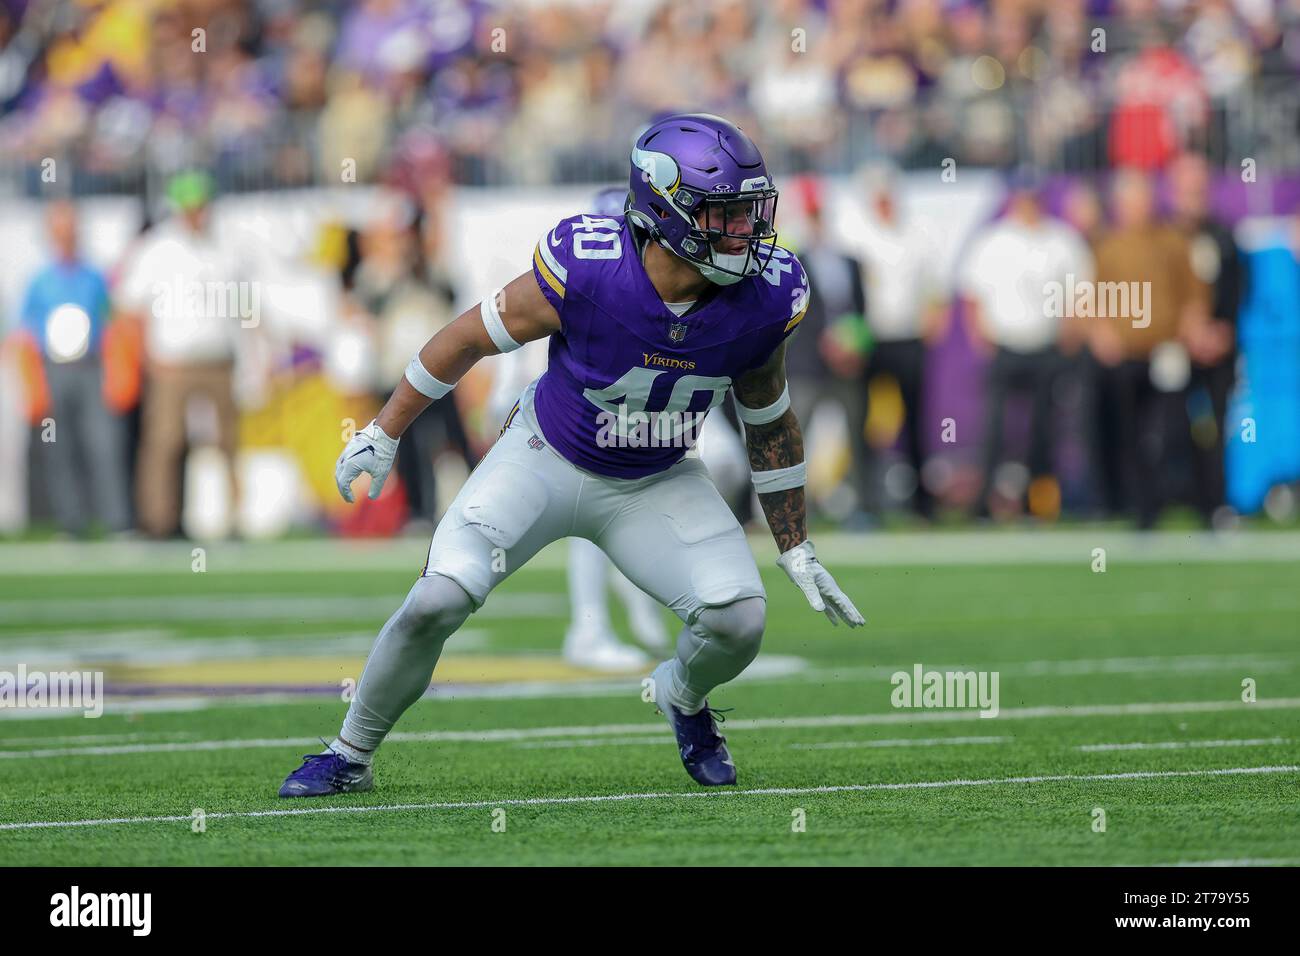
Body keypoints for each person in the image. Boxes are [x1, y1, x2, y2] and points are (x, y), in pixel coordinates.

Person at [279, 113, 864, 797]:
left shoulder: (767, 295)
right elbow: (467, 337)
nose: (744, 232)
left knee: (740, 620)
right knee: (435, 600)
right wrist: (384, 432)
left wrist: (793, 544)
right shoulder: (591, 269)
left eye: (748, 213)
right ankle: (351, 751)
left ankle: (681, 694)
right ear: (666, 209)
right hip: (545, 456)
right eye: (722, 214)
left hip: (657, 477)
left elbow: (768, 418)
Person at [117, 171, 244, 538]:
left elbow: (241, 305)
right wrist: (147, 358)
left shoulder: (224, 246)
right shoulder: (156, 248)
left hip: (219, 358)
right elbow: (129, 308)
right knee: (166, 442)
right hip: (172, 363)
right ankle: (160, 521)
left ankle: (232, 521)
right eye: (192, 208)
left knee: (228, 442)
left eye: (202, 206)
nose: (199, 214)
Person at [960, 177, 1093, 517]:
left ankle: (1041, 504)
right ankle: (984, 504)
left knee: (1045, 428)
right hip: (1004, 343)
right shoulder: (992, 240)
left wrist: (1071, 333)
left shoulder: (1061, 238)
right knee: (994, 428)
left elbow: (1080, 291)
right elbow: (972, 294)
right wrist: (980, 336)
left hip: (1047, 344)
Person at [1089, 169, 1209, 529]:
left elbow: (1193, 293)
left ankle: (1199, 504)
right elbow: (1092, 296)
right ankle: (1143, 510)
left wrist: (1190, 328)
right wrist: (1102, 333)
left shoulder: (1172, 241)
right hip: (1127, 354)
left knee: (1177, 429)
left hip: (1167, 351)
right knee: (1131, 432)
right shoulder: (1108, 245)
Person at [20, 200, 131, 536]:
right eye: (60, 232)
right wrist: (33, 382)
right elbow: (24, 331)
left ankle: (117, 521)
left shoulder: (95, 277)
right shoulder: (39, 281)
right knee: (59, 446)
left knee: (104, 443)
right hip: (54, 368)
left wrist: (117, 371)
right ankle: (71, 523)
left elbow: (112, 323)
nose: (67, 238)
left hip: (91, 366)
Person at [1168, 152, 1240, 526]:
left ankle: (1216, 503)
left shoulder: (1224, 237)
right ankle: (1172, 500)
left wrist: (1220, 330)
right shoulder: (1164, 238)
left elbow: (1236, 289)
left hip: (1217, 349)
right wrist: (1184, 332)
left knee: (1217, 427)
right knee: (1170, 425)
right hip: (1174, 349)